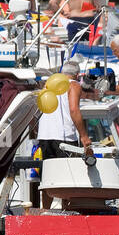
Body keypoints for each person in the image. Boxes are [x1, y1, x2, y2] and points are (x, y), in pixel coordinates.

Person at [35, 60, 94, 205]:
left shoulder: (48, 85)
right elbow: (74, 110)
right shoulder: (73, 85)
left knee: (48, 178)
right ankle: (66, 212)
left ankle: (45, 210)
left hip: (45, 135)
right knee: (68, 178)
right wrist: (84, 136)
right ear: (77, 74)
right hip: (64, 138)